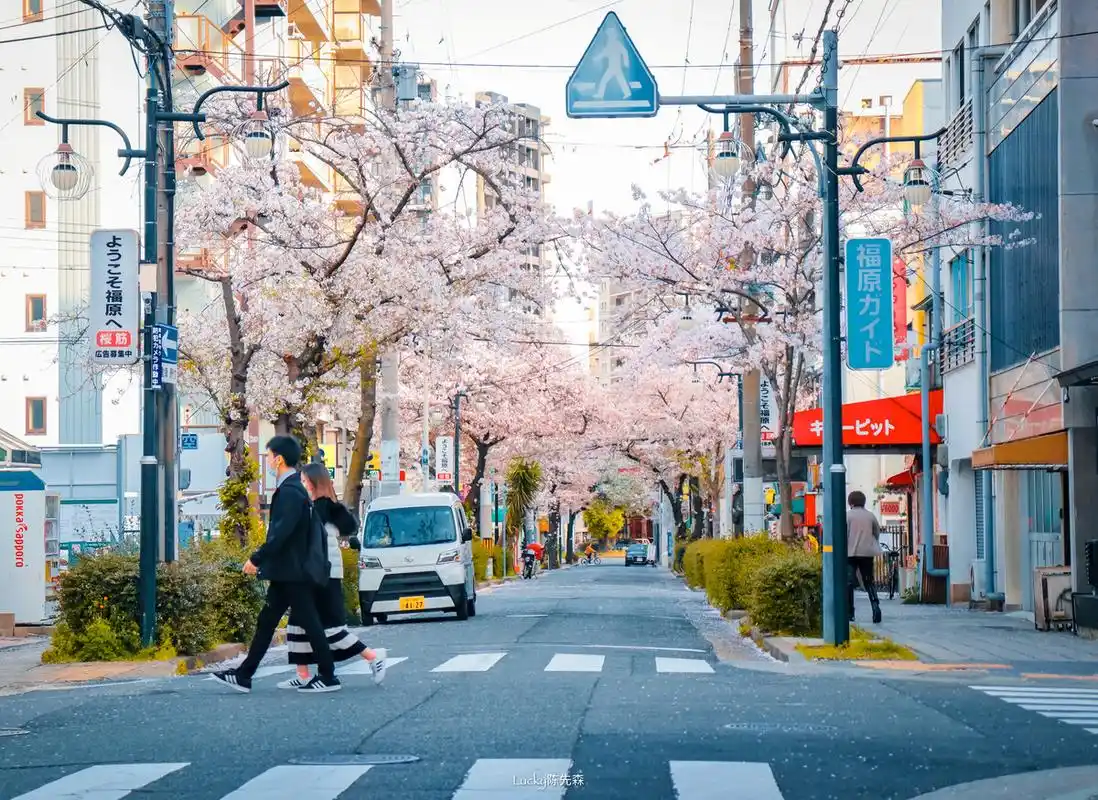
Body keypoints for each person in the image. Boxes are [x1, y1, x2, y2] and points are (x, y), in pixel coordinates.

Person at [212, 436, 340, 694]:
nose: (268, 462)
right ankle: (244, 675)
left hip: (293, 572)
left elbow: (281, 533)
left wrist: (256, 558)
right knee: (268, 621)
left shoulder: (290, 491)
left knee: (309, 622)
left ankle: (328, 676)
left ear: (279, 459)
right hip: (288, 572)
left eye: (270, 456)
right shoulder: (293, 489)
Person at [277, 463, 387, 690]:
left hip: (325, 574)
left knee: (330, 627)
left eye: (304, 481)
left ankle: (373, 656)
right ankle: (303, 674)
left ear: (314, 483)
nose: (301, 485)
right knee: (297, 624)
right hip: (313, 573)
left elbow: (345, 527)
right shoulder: (316, 506)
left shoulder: (322, 506)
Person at [847, 490, 883, 624]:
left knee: (849, 582)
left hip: (850, 553)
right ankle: (875, 607)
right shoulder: (870, 516)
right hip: (867, 553)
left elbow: (843, 534)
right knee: (869, 581)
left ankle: (850, 612)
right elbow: (877, 532)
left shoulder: (847, 516)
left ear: (850, 502)